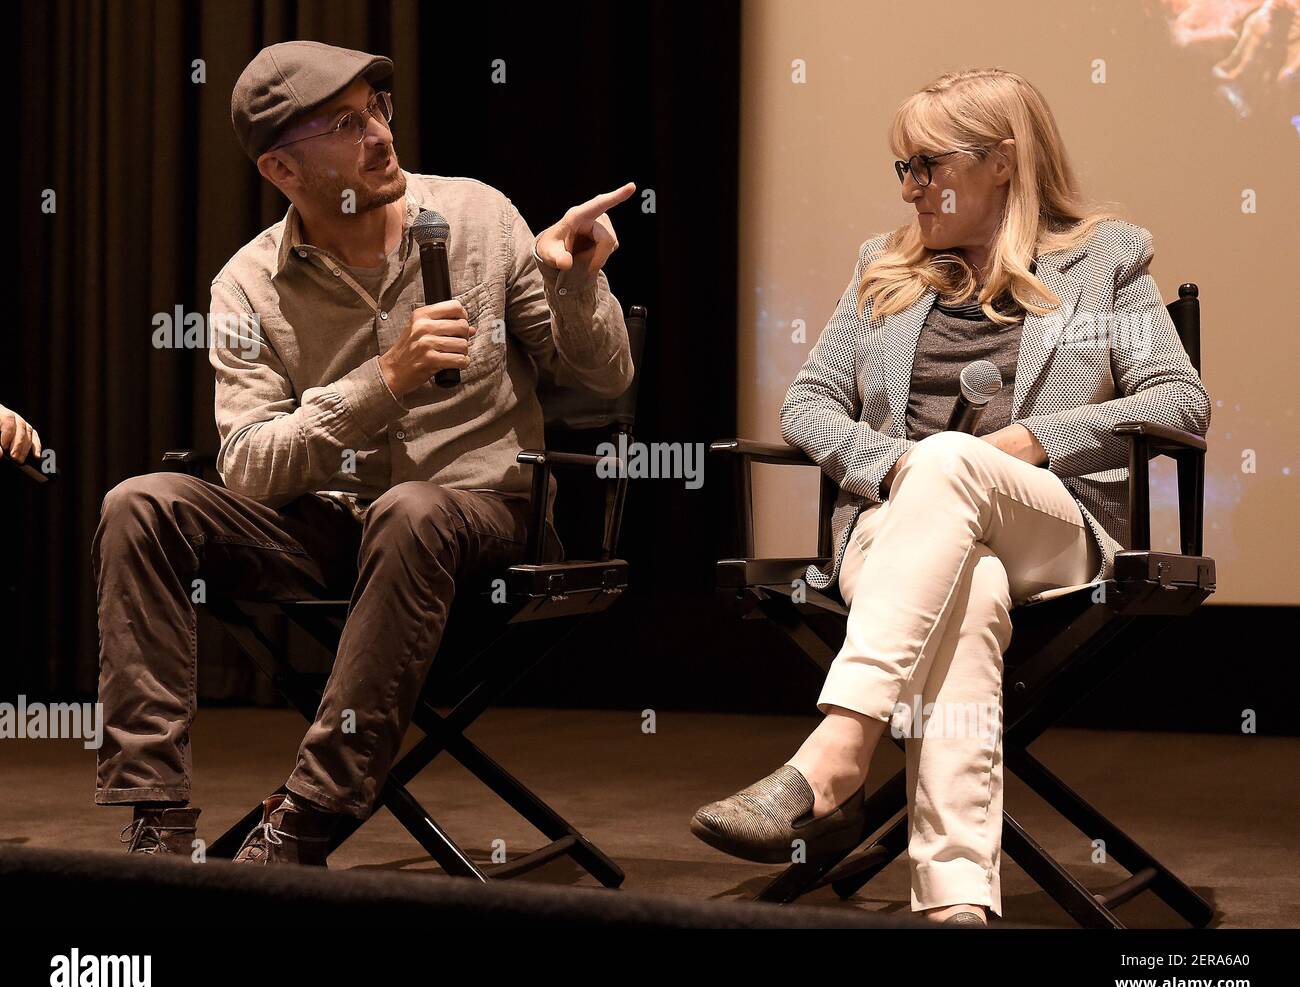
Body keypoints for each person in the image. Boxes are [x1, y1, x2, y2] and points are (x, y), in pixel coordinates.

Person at [690, 67, 1211, 925]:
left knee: (954, 464)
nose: (911, 188)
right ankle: (957, 906)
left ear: (1003, 160)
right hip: (898, 535)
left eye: (927, 165)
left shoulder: (1104, 258)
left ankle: (835, 753)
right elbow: (808, 402)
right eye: (903, 169)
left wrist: (1030, 439)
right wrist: (896, 466)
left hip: (1050, 522)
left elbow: (1178, 401)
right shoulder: (885, 264)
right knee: (967, 591)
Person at [93, 41, 634, 863]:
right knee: (140, 503)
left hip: (485, 528)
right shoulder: (246, 287)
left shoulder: (479, 217)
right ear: (281, 170)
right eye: (346, 122)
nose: (381, 133)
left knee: (409, 510)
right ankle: (156, 820)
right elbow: (245, 465)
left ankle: (308, 818)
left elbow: (606, 378)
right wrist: (382, 382)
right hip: (337, 536)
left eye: (378, 107)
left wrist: (574, 282)